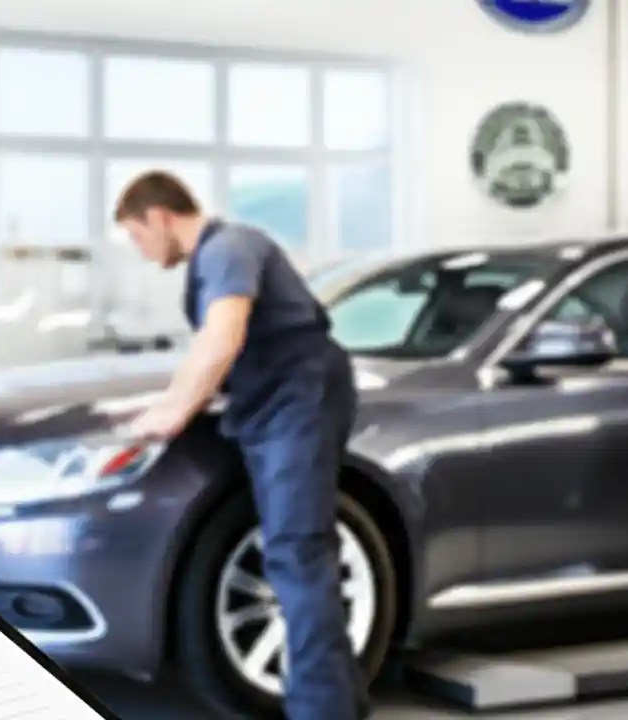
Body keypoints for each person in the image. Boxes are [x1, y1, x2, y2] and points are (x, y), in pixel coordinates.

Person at [115, 171, 371, 720]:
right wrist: (166, 401)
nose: (141, 251)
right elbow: (218, 350)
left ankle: (319, 713)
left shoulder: (228, 248)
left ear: (159, 216)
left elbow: (222, 337)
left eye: (137, 236)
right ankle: (341, 704)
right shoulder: (216, 255)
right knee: (301, 555)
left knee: (297, 554)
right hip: (278, 402)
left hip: (298, 400)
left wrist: (174, 411)